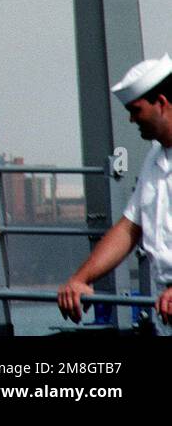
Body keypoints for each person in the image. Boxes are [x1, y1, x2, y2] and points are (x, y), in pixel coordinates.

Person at [59, 54, 172, 328]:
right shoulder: (154, 161)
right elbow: (128, 229)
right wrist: (80, 279)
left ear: (161, 103)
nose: (132, 120)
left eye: (136, 110)